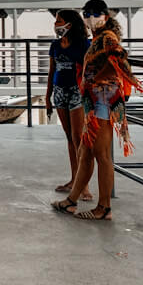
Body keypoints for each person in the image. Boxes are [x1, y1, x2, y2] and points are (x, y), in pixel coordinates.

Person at [53, 0, 143, 221]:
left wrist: (97, 79)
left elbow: (120, 60)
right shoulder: (98, 38)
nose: (90, 17)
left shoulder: (107, 38)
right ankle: (71, 201)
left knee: (101, 155)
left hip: (103, 101)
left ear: (105, 15)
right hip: (93, 103)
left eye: (95, 13)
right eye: (87, 13)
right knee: (85, 151)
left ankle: (104, 207)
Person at [46, 10, 92, 201]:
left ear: (70, 24)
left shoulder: (83, 45)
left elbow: (89, 69)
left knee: (78, 137)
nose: (56, 24)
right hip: (59, 91)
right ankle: (74, 179)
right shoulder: (55, 45)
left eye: (59, 21)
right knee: (69, 137)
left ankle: (84, 185)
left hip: (76, 91)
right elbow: (51, 71)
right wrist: (48, 95)